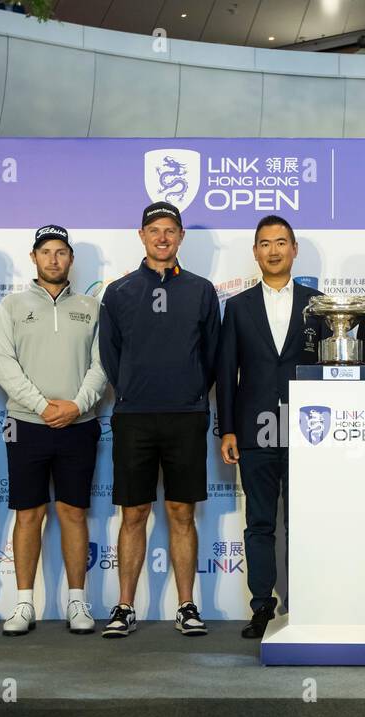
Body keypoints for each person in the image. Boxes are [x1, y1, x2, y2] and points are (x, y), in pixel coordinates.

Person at [98, 202, 221, 639]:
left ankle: (187, 606)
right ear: (142, 235)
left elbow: (212, 356)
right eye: (155, 230)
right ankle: (124, 606)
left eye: (171, 230)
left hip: (186, 416)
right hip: (134, 416)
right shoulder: (119, 291)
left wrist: (189, 392)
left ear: (181, 237)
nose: (163, 237)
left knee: (181, 511)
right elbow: (110, 355)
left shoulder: (202, 290)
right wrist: (131, 389)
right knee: (134, 513)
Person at [0, 225, 107, 636]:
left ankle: (78, 602)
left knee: (73, 513)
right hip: (27, 424)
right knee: (29, 514)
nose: (54, 259)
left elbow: (102, 364)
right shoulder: (11, 305)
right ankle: (24, 604)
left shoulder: (92, 307)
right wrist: (42, 406)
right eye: (46, 252)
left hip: (80, 424)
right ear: (34, 258)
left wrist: (76, 405)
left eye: (61, 252)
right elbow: (3, 363)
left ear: (71, 259)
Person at [216, 215, 323, 639]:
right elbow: (227, 373)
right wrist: (227, 429)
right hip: (254, 428)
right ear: (255, 251)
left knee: (304, 522)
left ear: (294, 249)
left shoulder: (319, 304)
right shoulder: (238, 307)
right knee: (259, 523)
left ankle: (306, 604)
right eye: (265, 243)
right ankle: (262, 607)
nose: (274, 250)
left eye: (282, 242)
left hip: (309, 428)